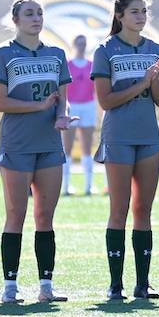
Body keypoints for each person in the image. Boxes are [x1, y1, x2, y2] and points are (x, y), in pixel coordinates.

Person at [0, 0, 77, 303]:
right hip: (17, 144)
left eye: (39, 13)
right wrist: (38, 106)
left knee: (45, 218)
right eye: (29, 13)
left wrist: (62, 116)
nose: (36, 18)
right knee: (16, 215)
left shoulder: (56, 53)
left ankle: (46, 287)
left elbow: (62, 99)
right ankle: (10, 287)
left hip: (49, 144)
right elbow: (0, 102)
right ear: (15, 20)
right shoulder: (3, 53)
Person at [93, 0, 159, 300]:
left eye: (144, 11)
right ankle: (116, 284)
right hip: (118, 137)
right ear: (119, 16)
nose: (141, 17)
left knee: (143, 211)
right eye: (135, 11)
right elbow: (106, 101)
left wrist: (154, 82)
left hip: (148, 137)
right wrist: (141, 83)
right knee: (119, 210)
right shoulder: (105, 50)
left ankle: (143, 283)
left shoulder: (156, 49)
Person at [63, 34, 98, 196]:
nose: (82, 46)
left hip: (89, 106)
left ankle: (89, 186)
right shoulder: (68, 64)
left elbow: (96, 89)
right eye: (79, 44)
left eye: (84, 44)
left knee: (87, 148)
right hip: (72, 107)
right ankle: (66, 186)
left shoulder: (92, 64)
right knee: (67, 148)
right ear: (74, 45)